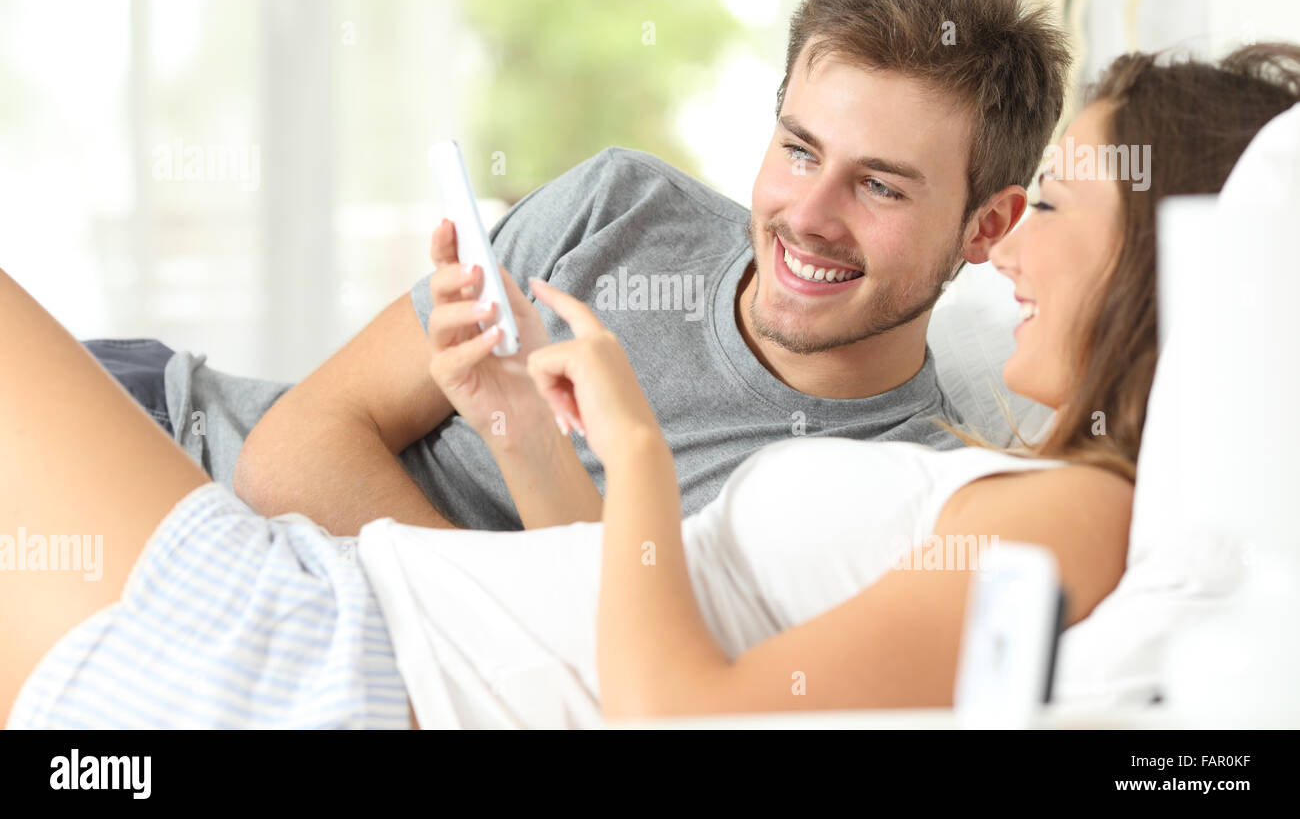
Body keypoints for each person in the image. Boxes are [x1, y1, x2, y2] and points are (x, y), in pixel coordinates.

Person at [6, 43, 1298, 728]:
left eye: (1051, 207)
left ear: (1154, 247)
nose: (1012, 247)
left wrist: (636, 448)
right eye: (797, 147)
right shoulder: (1029, 491)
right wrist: (524, 423)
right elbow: (634, 630)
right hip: (335, 623)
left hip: (338, 658)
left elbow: (686, 719)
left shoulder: (1077, 520)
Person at [86, 0, 1072, 535]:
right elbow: (289, 447)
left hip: (216, 553)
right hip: (161, 423)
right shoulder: (620, 205)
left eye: (879, 184)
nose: (807, 214)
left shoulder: (904, 487)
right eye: (797, 148)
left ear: (986, 226)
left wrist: (498, 549)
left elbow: (610, 665)